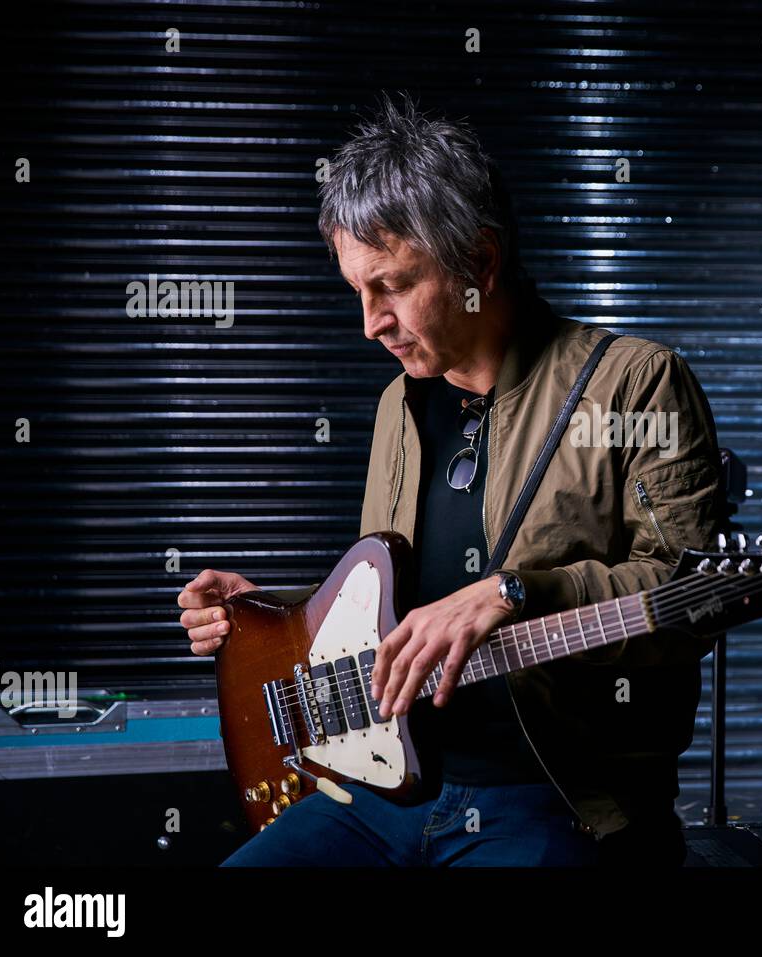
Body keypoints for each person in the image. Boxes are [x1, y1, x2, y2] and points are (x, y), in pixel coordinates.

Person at [177, 92, 724, 866]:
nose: (369, 322)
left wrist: (515, 591)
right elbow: (403, 600)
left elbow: (685, 598)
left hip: (553, 801)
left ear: (481, 260)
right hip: (387, 795)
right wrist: (269, 612)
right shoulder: (398, 406)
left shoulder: (636, 384)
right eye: (356, 291)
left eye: (392, 286)